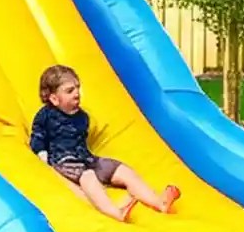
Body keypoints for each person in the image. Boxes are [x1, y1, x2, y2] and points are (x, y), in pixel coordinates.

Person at [30, 64, 180, 222]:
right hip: (63, 161)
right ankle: (115, 212)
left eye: (77, 88)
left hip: (87, 159)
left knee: (122, 170)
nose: (77, 94)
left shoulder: (82, 117)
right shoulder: (46, 115)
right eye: (69, 91)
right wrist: (42, 154)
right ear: (54, 99)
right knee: (87, 176)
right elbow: (37, 136)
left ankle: (158, 202)